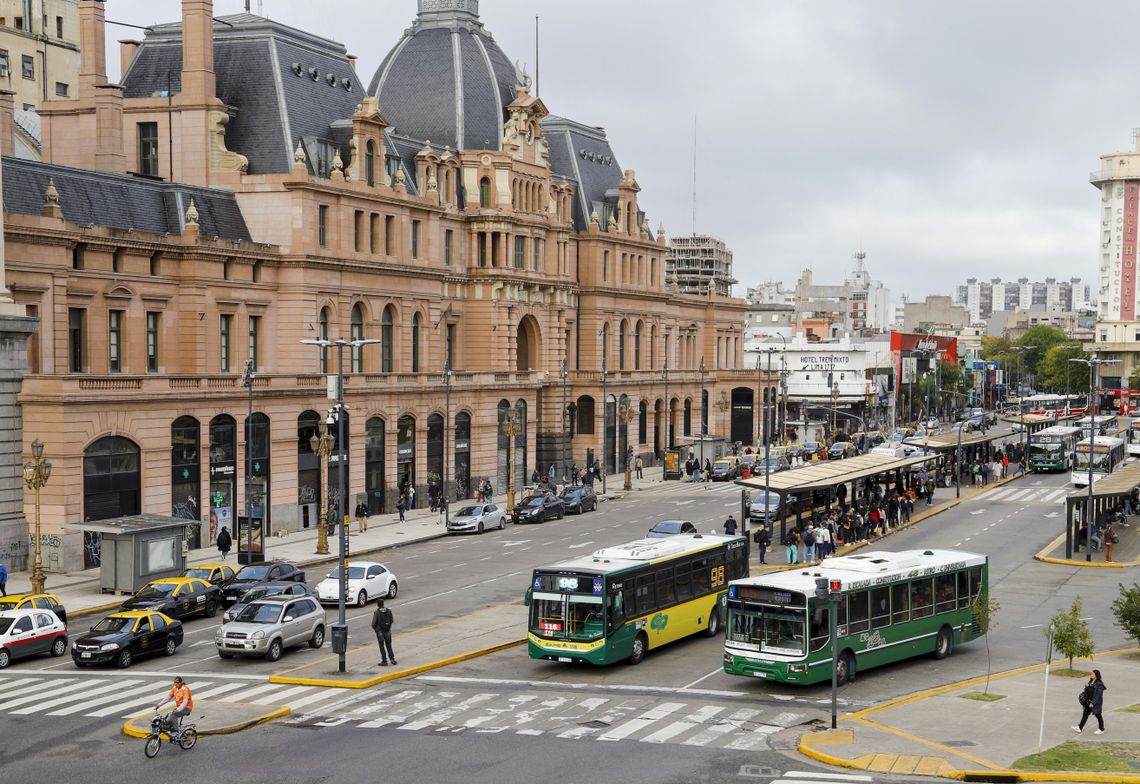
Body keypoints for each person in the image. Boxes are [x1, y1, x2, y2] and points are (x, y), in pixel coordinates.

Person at [1073, 669, 1106, 734]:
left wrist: (1093, 703)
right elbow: (1091, 690)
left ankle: (1101, 729)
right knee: (1085, 714)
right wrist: (1087, 687)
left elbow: (1098, 695)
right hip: (1088, 701)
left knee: (1098, 715)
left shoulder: (1099, 684)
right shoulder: (1091, 681)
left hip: (1095, 703)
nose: (1091, 674)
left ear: (1096, 675)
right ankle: (1080, 727)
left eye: (1092, 674)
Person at [371, 598, 396, 667]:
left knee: (381, 646)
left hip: (380, 631)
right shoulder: (389, 611)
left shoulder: (377, 613)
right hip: (387, 630)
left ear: (377, 605)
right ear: (383, 604)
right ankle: (392, 659)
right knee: (389, 645)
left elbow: (373, 624)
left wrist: (376, 630)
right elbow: (391, 620)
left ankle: (384, 661)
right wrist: (388, 626)